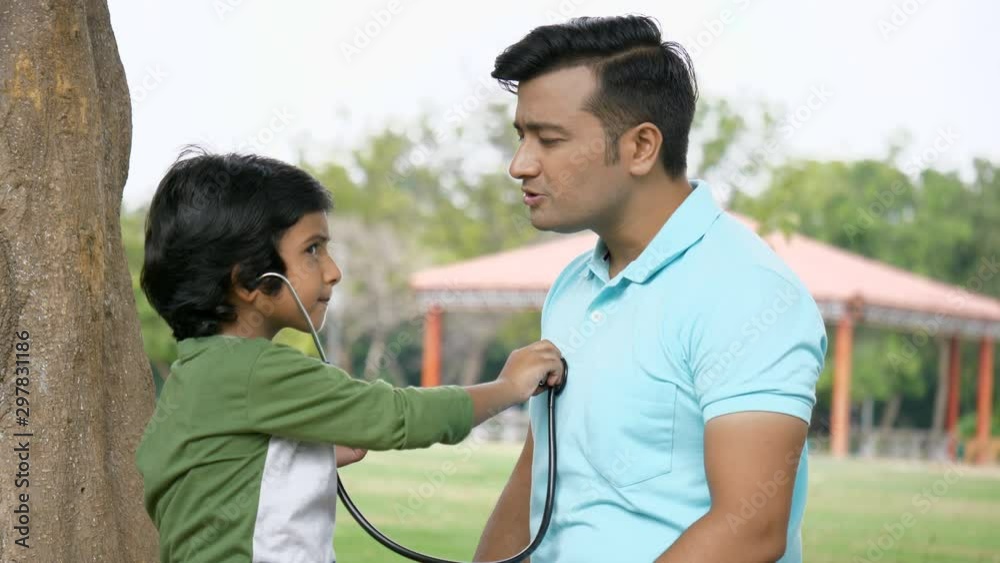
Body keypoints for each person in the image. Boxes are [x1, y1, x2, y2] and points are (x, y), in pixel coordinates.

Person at [474, 15, 827, 563]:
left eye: (550, 139)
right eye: (522, 136)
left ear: (641, 147)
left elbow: (750, 528)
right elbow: (539, 470)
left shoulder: (747, 292)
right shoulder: (573, 287)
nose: (520, 165)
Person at [134, 148, 565, 563]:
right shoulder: (255, 370)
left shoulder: (193, 377)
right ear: (249, 280)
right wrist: (506, 387)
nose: (333, 270)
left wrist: (299, 456)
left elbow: (220, 476)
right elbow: (401, 416)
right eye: (313, 249)